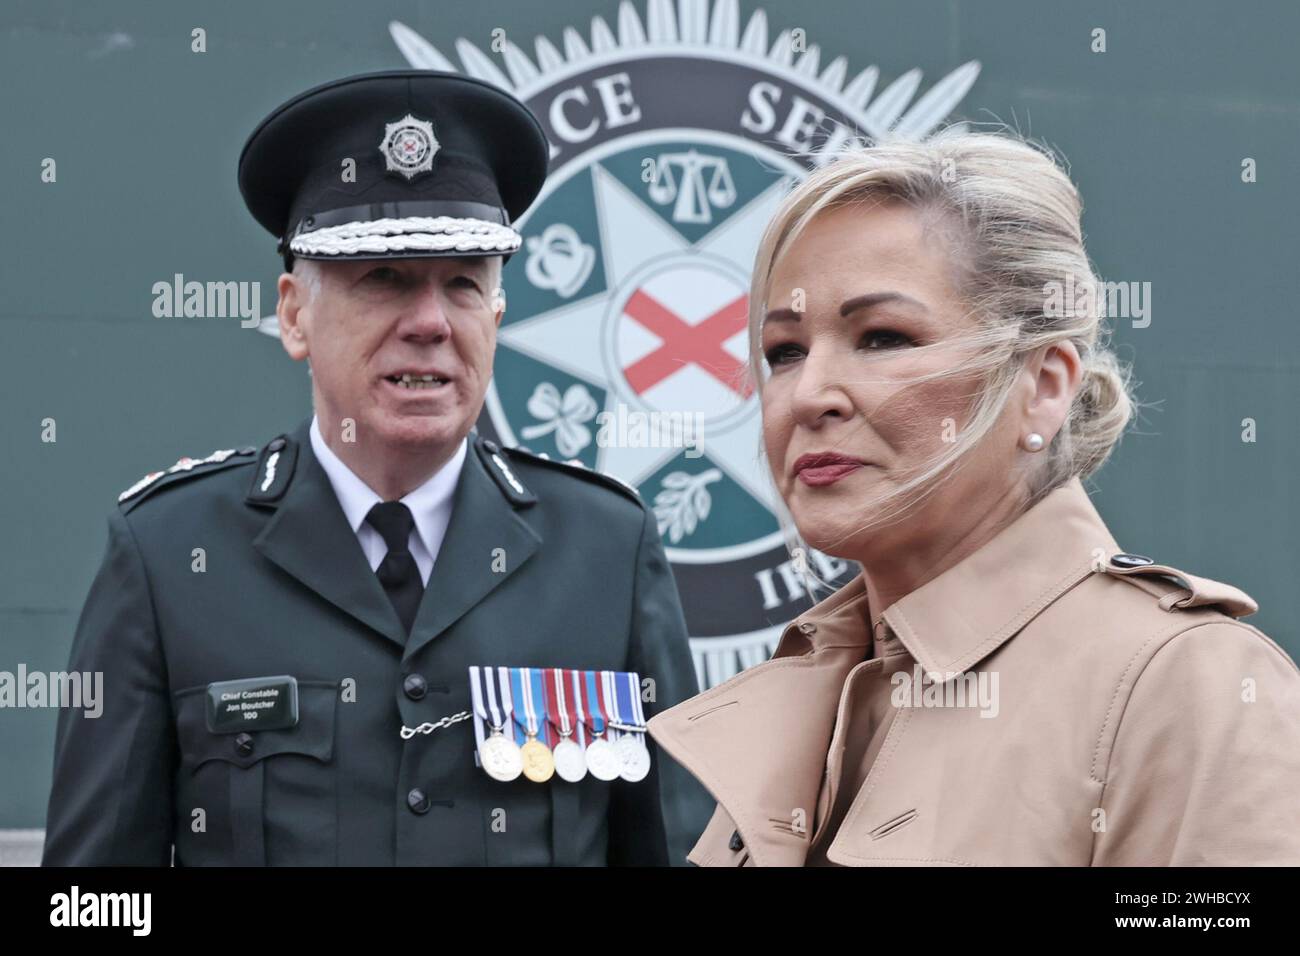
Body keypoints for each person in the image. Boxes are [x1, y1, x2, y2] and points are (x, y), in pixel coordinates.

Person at [43, 70, 711, 866]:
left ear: (496, 315)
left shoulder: (606, 551)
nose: (429, 323)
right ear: (294, 314)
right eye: (383, 280)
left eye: (463, 283)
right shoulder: (167, 555)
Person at [646, 128, 1300, 866]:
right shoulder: (816, 688)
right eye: (784, 352)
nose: (808, 395)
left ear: (1044, 385)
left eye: (883, 337)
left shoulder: (1190, 689)